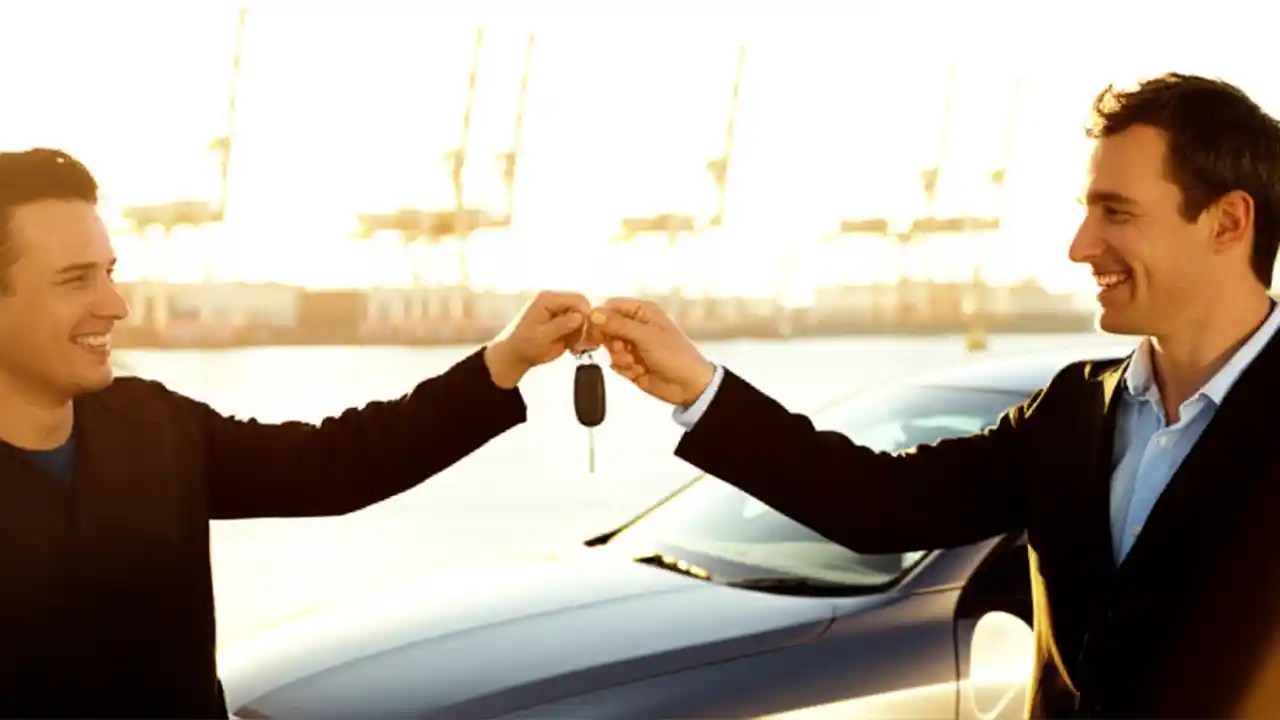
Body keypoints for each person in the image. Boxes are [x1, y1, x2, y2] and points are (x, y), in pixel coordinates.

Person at [589, 72, 1280, 718]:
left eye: (1116, 211)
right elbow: (877, 504)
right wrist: (699, 388)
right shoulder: (1073, 409)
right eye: (1086, 211)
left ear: (1227, 222)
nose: (1079, 245)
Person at [0, 148, 596, 718]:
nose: (116, 305)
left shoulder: (153, 425)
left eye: (109, 273)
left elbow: (333, 464)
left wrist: (506, 359)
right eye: (76, 280)